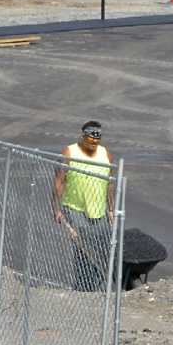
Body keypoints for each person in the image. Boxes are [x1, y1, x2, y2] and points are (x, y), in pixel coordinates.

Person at [53, 121, 115, 292]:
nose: (94, 143)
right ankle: (82, 287)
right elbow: (59, 180)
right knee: (82, 249)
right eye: (90, 138)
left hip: (99, 211)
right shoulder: (69, 152)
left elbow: (110, 183)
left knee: (101, 248)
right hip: (75, 208)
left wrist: (111, 209)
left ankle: (94, 286)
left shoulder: (106, 155)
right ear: (83, 136)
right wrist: (56, 208)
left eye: (97, 139)